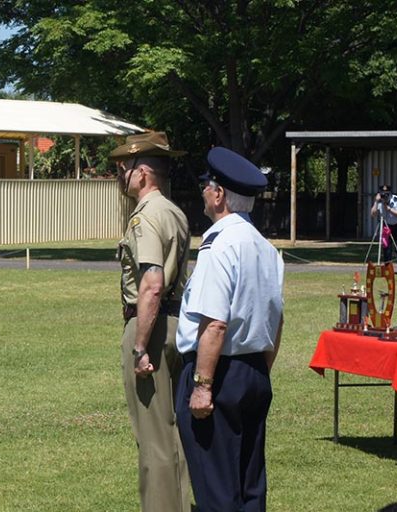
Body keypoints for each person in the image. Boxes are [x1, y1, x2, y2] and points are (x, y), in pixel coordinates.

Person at [175, 147, 284, 512]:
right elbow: (276, 319)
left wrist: (203, 386)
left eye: (207, 185)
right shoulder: (266, 249)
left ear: (218, 194)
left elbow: (215, 323)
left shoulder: (219, 245)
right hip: (253, 370)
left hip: (218, 373)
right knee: (250, 486)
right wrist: (258, 371)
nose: (204, 191)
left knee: (217, 489)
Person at [112, 131, 192, 512]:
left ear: (142, 173)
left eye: (123, 169)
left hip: (152, 328)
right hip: (177, 325)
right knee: (174, 435)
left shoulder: (145, 217)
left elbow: (152, 284)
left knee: (153, 437)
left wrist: (141, 345)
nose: (119, 176)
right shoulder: (174, 211)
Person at [370, 184, 397, 274]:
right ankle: (388, 268)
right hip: (386, 226)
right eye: (382, 193)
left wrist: (389, 209)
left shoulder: (396, 200)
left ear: (390, 193)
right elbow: (373, 214)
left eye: (386, 194)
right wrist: (376, 202)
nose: (384, 196)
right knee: (386, 247)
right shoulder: (379, 202)